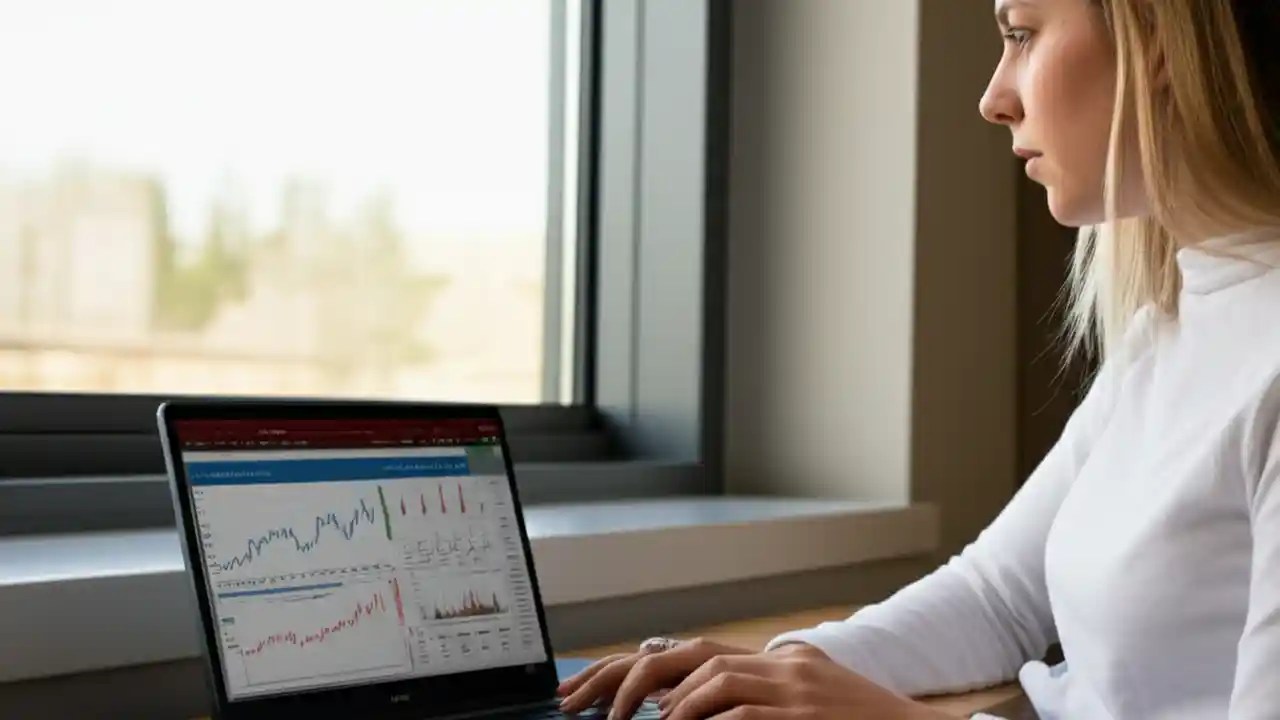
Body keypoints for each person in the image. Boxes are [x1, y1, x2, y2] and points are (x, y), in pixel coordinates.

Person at [556, 0, 1280, 718]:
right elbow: (996, 599)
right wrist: (783, 666)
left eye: (1022, 35)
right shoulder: (1166, 332)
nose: (993, 99)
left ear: (1156, 39)